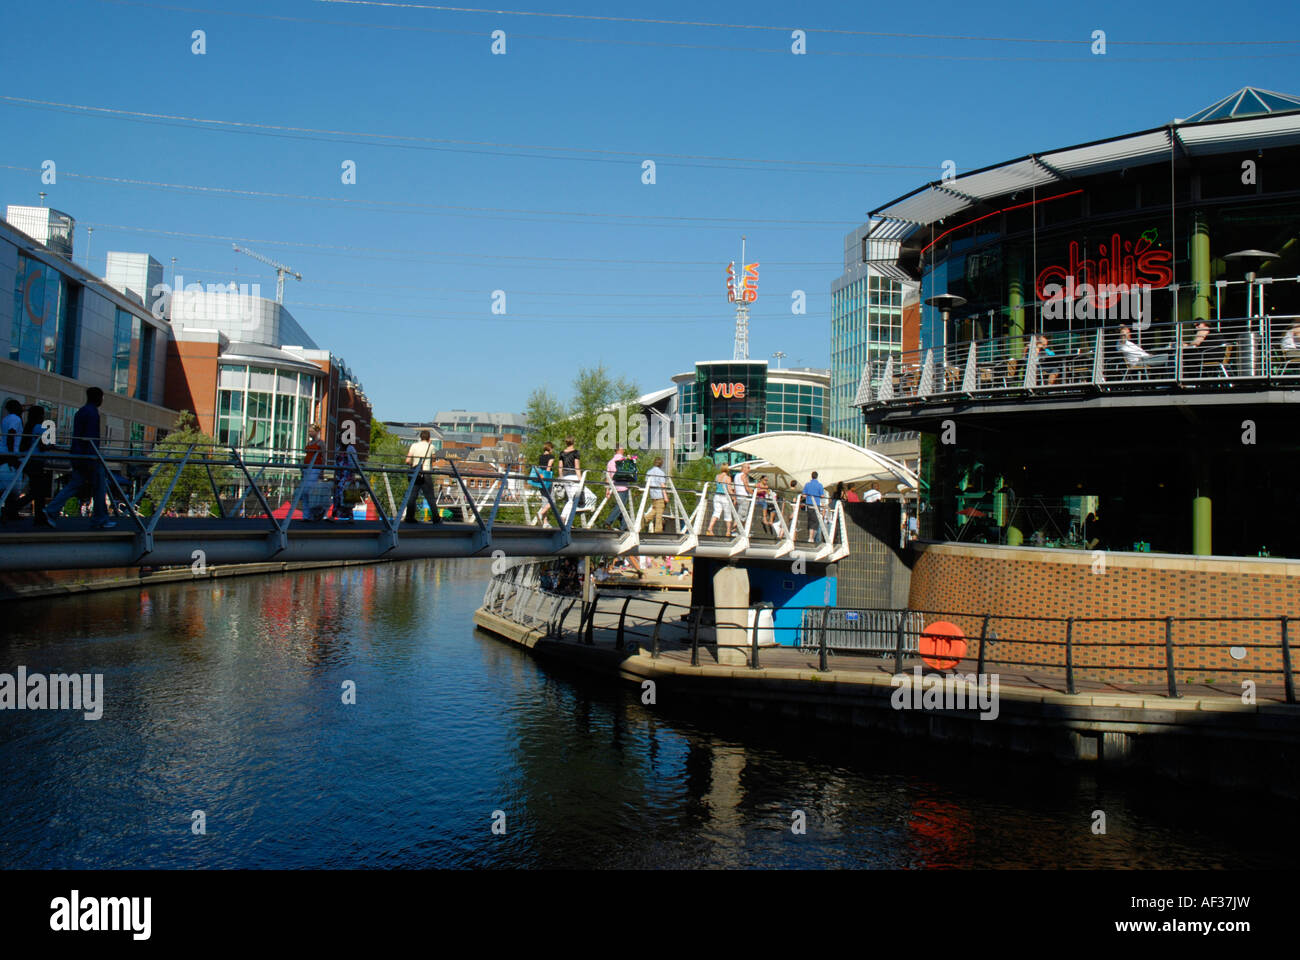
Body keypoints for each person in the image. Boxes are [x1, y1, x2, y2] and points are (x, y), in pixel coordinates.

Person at [44, 386, 114, 529]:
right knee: (100, 485)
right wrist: (93, 456)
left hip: (78, 454)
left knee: (75, 484)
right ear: (97, 398)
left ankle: (51, 510)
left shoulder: (81, 412)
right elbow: (91, 437)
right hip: (89, 456)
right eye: (101, 398)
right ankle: (100, 519)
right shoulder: (92, 413)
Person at [19, 405, 53, 527]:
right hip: (37, 462)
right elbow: (44, 446)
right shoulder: (39, 428)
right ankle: (14, 508)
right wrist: (51, 446)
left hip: (29, 461)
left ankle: (39, 516)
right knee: (39, 491)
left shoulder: (28, 427)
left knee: (36, 490)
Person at [403, 429, 442, 523]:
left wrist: (414, 464)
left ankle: (409, 517)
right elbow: (434, 459)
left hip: (415, 473)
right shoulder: (431, 446)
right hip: (426, 473)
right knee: (430, 497)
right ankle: (436, 518)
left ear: (420, 437)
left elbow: (407, 460)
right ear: (429, 438)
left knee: (412, 496)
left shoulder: (414, 445)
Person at [1, 398, 23, 522]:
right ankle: (11, 512)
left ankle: (10, 512)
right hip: (10, 453)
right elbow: (12, 434)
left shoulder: (5, 419)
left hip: (3, 451)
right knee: (13, 485)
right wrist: (12, 456)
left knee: (6, 484)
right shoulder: (16, 419)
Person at [330, 436, 357, 522]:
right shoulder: (338, 449)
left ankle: (350, 516)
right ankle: (334, 515)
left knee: (347, 495)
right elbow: (336, 463)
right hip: (339, 475)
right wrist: (334, 477)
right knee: (337, 495)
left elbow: (353, 462)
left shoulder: (350, 449)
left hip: (347, 475)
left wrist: (353, 476)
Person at [605, 445, 631, 531]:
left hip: (615, 487)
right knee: (620, 506)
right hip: (623, 486)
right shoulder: (624, 460)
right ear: (619, 450)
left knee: (622, 506)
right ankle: (609, 521)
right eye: (623, 449)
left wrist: (607, 490)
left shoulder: (610, 462)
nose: (624, 450)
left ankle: (624, 526)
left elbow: (607, 477)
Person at [705, 464, 733, 537]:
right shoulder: (728, 478)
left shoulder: (717, 476)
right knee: (728, 514)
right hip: (724, 497)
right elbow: (729, 489)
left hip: (717, 496)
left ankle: (710, 528)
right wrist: (734, 496)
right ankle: (728, 532)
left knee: (716, 513)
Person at [644, 456, 667, 533]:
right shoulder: (661, 473)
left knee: (654, 510)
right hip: (660, 496)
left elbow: (647, 484)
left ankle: (644, 520)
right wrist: (666, 497)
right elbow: (662, 486)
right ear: (661, 464)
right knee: (659, 514)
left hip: (653, 495)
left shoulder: (649, 472)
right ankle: (658, 531)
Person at [802, 470, 825, 543]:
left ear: (811, 476)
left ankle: (810, 537)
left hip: (808, 505)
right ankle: (811, 538)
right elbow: (822, 495)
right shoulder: (820, 485)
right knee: (815, 522)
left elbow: (804, 495)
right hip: (816, 505)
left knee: (810, 521)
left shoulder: (807, 484)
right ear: (817, 477)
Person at [733, 463, 754, 527]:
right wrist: (754, 494)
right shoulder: (744, 476)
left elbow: (735, 487)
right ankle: (734, 528)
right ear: (743, 468)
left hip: (738, 496)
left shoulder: (736, 475)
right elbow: (747, 488)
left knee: (742, 515)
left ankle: (743, 530)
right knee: (742, 514)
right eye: (748, 468)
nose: (749, 470)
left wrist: (735, 498)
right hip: (744, 497)